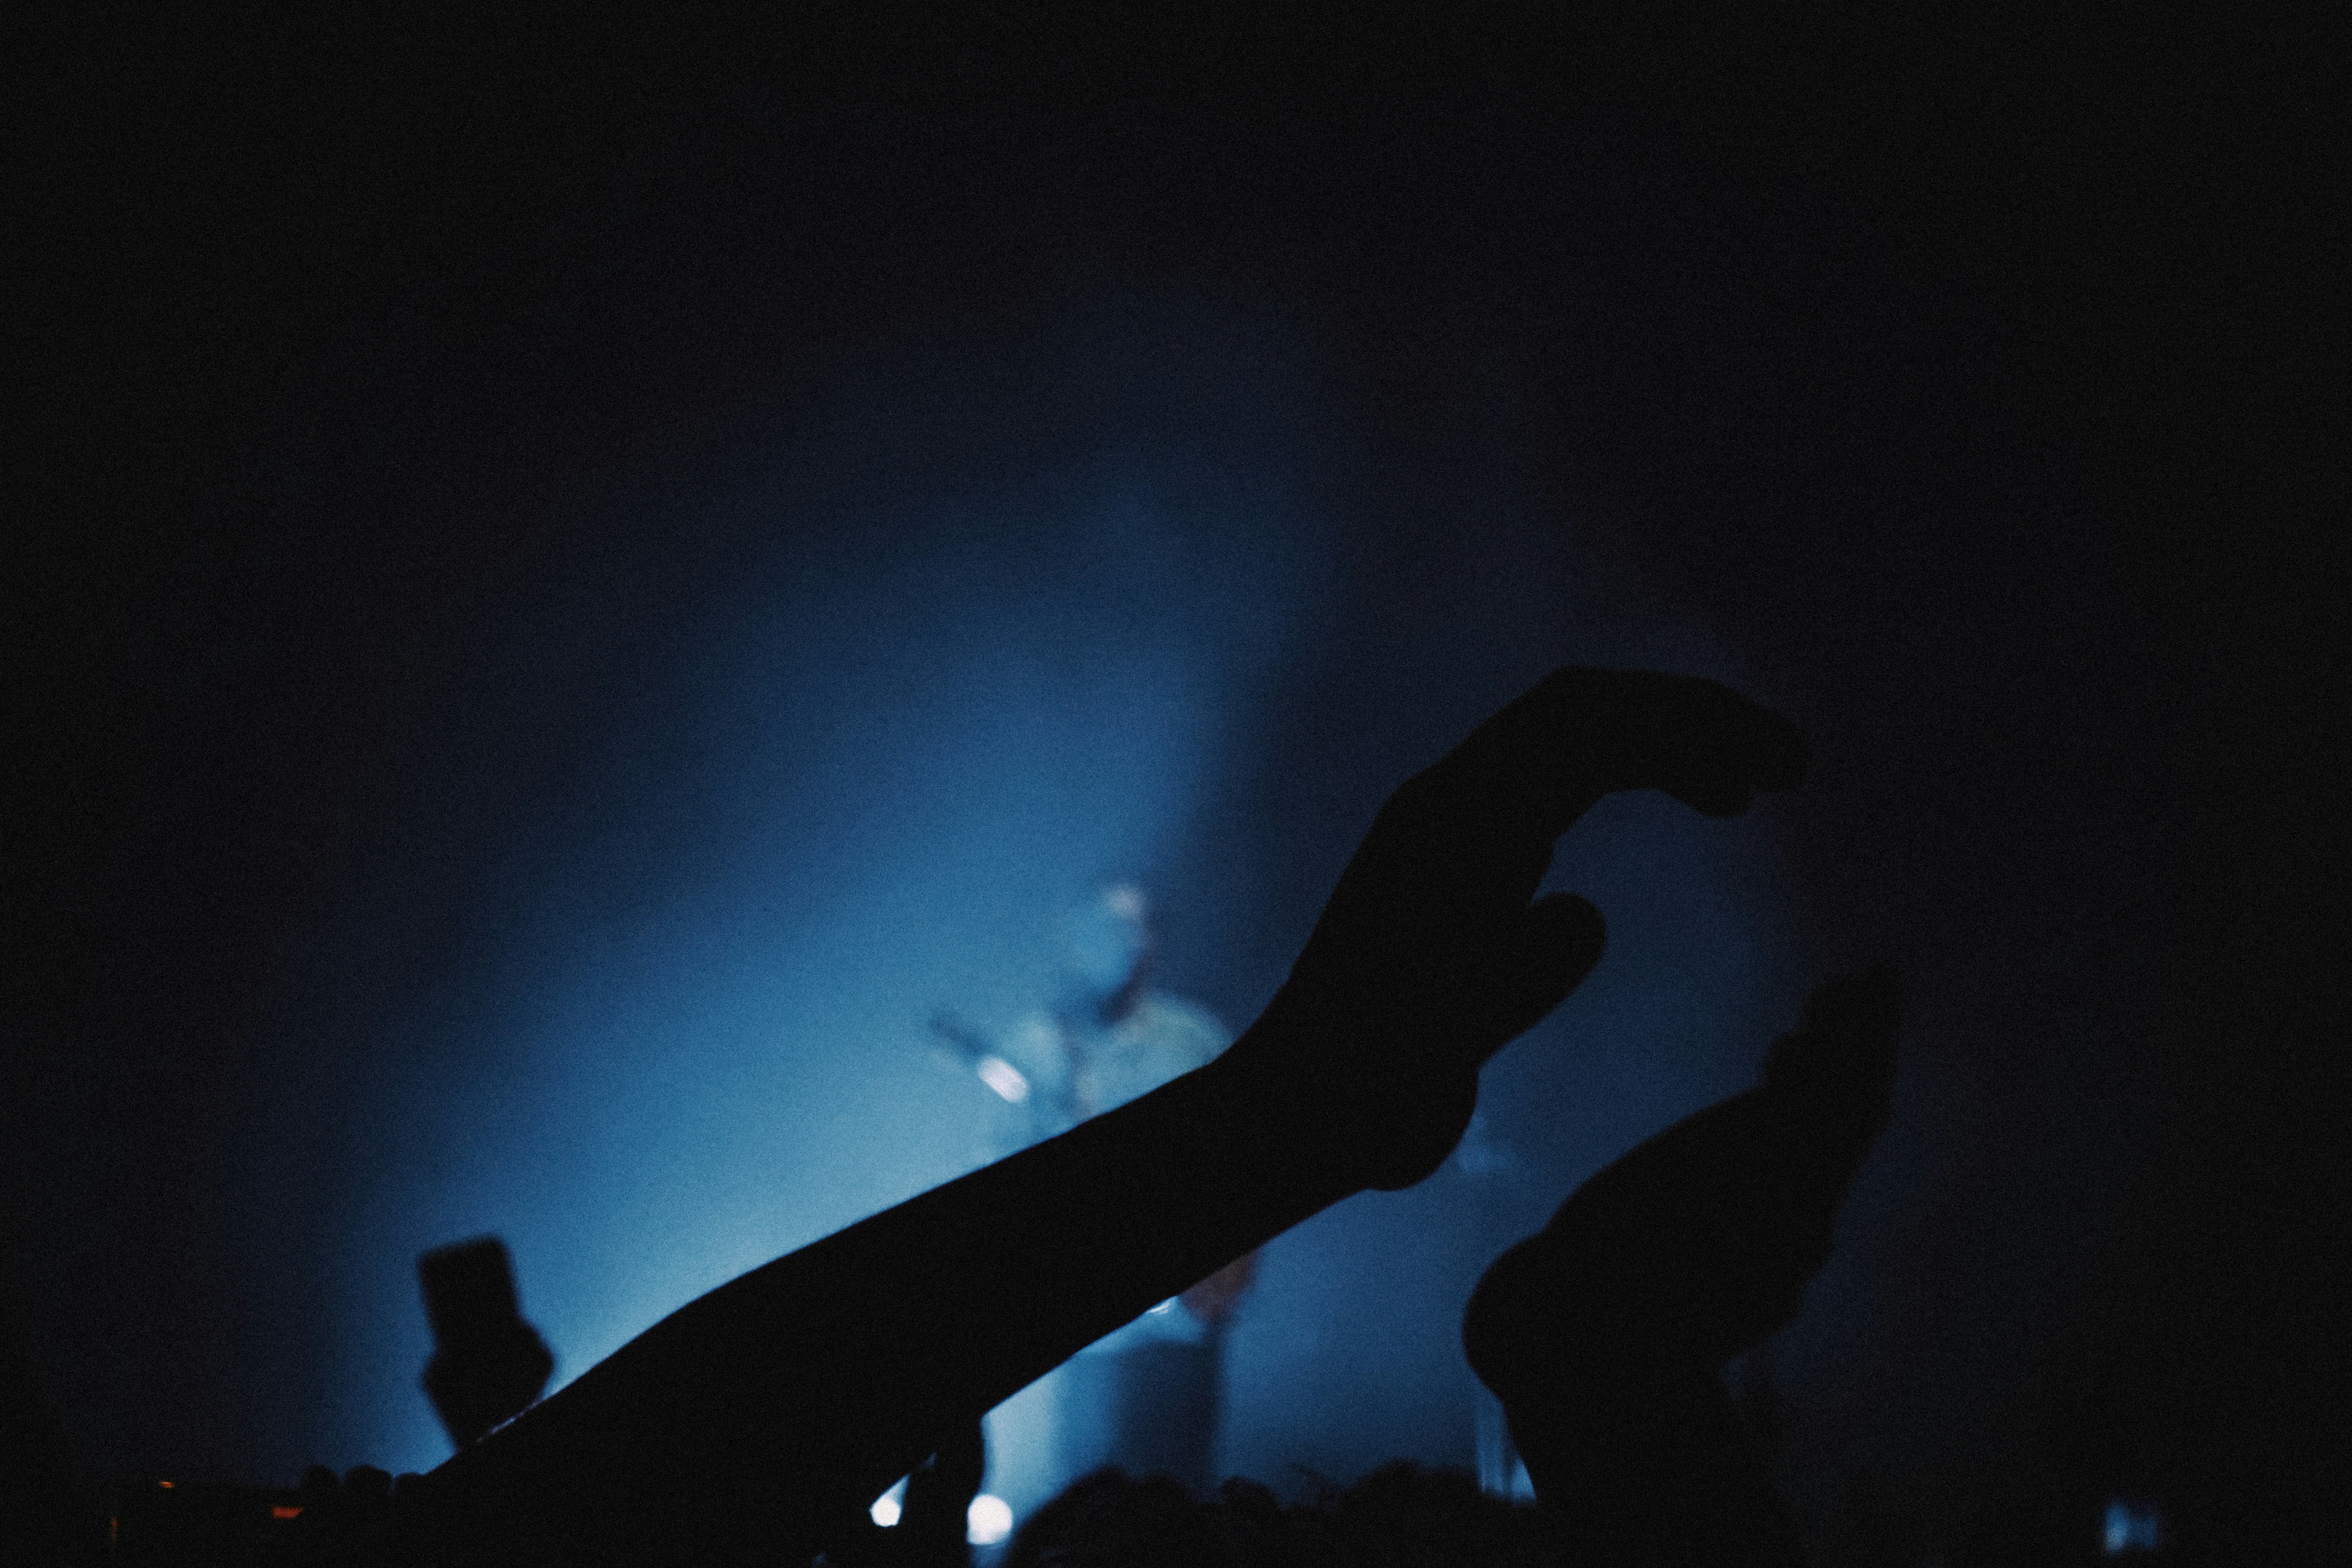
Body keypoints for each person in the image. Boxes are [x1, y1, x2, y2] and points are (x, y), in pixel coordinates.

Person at [400, 666, 1811, 1567]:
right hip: (1119, 1295)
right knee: (1101, 1503)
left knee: (1162, 1493)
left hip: (1174, 1310)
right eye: (1097, 931)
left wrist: (1279, 1128)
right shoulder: (1040, 1042)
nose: (1114, 951)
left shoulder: (1186, 1035)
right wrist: (1292, 1118)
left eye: (1130, 931)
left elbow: (657, 1459)